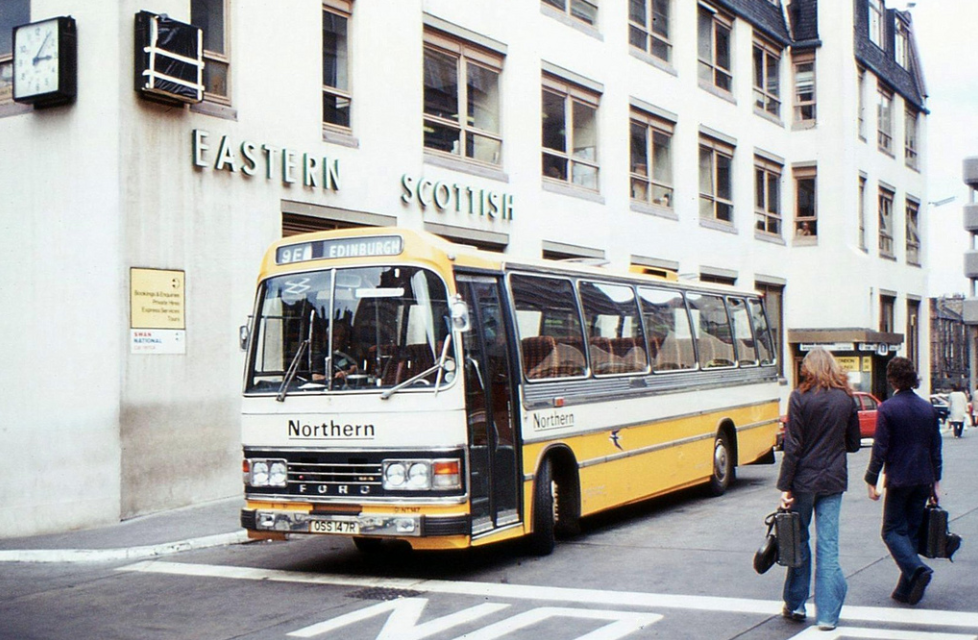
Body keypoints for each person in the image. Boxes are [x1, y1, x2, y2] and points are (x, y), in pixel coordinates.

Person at [777, 347, 861, 631]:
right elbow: (854, 443)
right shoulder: (846, 398)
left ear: (808, 369)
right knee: (828, 546)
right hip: (833, 480)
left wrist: (786, 486)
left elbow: (793, 447)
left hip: (803, 481)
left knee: (799, 541)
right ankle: (827, 615)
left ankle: (796, 604)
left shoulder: (799, 398)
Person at [865, 357, 943, 606]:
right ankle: (905, 589)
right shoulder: (927, 408)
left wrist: (871, 478)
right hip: (923, 478)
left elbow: (881, 447)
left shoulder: (888, 408)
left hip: (899, 477)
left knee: (890, 531)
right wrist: (936, 481)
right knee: (909, 532)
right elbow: (936, 447)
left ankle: (917, 571)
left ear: (891, 379)